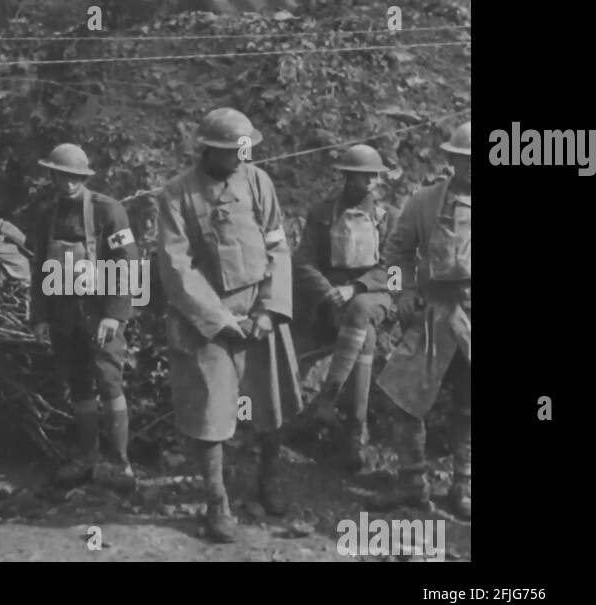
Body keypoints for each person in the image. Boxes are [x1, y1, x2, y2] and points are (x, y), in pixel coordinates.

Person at [156, 108, 304, 543]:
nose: (240, 156)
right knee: (212, 412)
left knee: (269, 401)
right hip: (208, 320)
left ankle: (269, 478)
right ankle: (216, 501)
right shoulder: (177, 194)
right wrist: (220, 321)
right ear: (208, 149)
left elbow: (278, 244)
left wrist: (268, 309)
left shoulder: (258, 182)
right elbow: (175, 268)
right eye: (231, 150)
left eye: (244, 149)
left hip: (260, 309)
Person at [373, 122, 472, 520]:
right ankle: (412, 481)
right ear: (451, 160)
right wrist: (403, 294)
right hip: (433, 312)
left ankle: (463, 484)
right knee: (403, 398)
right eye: (463, 160)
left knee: (469, 406)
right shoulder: (425, 202)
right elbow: (395, 253)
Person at [28, 143, 139, 490]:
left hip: (99, 314)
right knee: (78, 384)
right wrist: (41, 316)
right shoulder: (46, 212)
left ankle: (121, 464)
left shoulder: (109, 211)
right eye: (62, 176)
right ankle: (86, 456)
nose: (68, 184)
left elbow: (128, 263)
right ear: (52, 175)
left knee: (109, 381)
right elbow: (40, 268)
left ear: (84, 177)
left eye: (75, 177)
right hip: (64, 315)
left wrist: (114, 315)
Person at [294, 144, 398, 472]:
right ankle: (356, 433)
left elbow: (394, 267)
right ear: (347, 176)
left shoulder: (388, 216)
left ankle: (330, 399)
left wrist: (356, 287)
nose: (368, 182)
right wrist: (328, 291)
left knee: (362, 308)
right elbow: (303, 261)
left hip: (377, 293)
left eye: (373, 176)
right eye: (362, 175)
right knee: (363, 333)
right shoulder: (323, 213)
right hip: (334, 302)